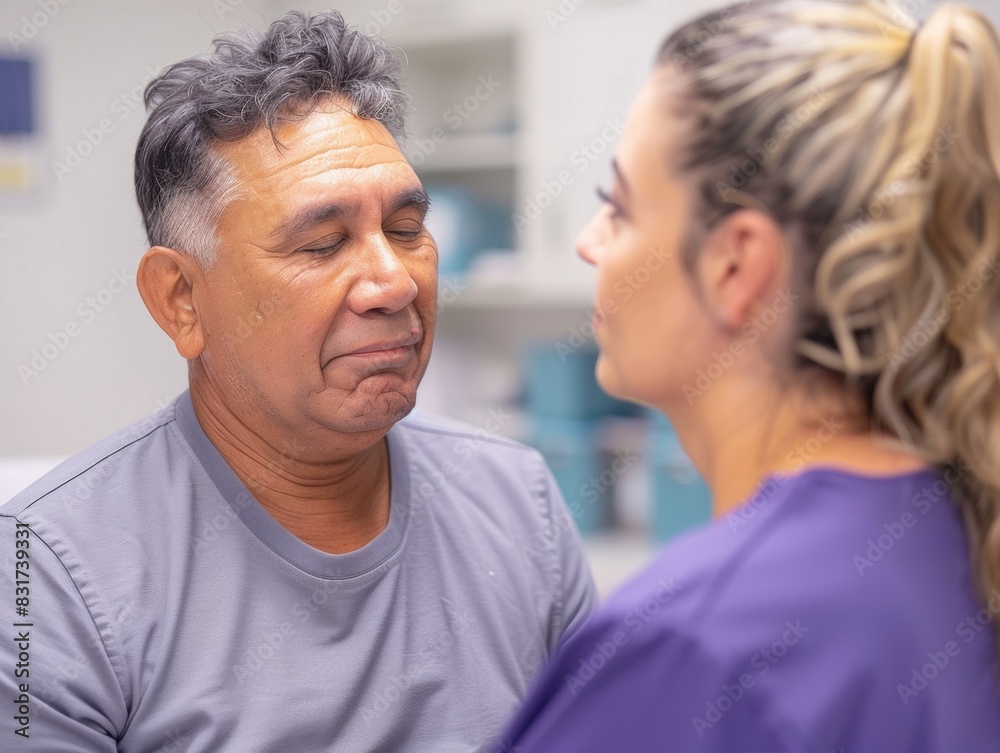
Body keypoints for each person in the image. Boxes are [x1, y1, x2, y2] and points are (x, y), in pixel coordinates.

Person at [0, 11, 597, 752]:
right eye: (322, 243)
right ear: (182, 300)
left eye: (407, 229)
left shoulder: (519, 504)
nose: (392, 281)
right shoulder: (41, 578)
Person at [497, 1, 1000, 751]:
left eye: (618, 208)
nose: (585, 242)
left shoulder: (691, 645)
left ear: (736, 264)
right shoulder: (949, 528)